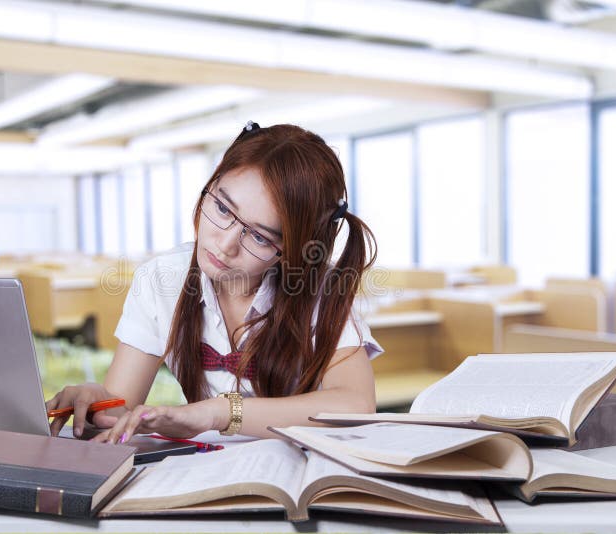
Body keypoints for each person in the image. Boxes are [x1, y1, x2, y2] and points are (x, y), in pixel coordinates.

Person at [46, 122, 383, 444]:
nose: (225, 244)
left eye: (260, 236)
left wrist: (219, 413)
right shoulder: (162, 279)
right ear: (210, 185)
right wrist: (94, 407)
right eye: (223, 208)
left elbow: (355, 405)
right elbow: (117, 419)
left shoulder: (320, 290)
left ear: (293, 251)